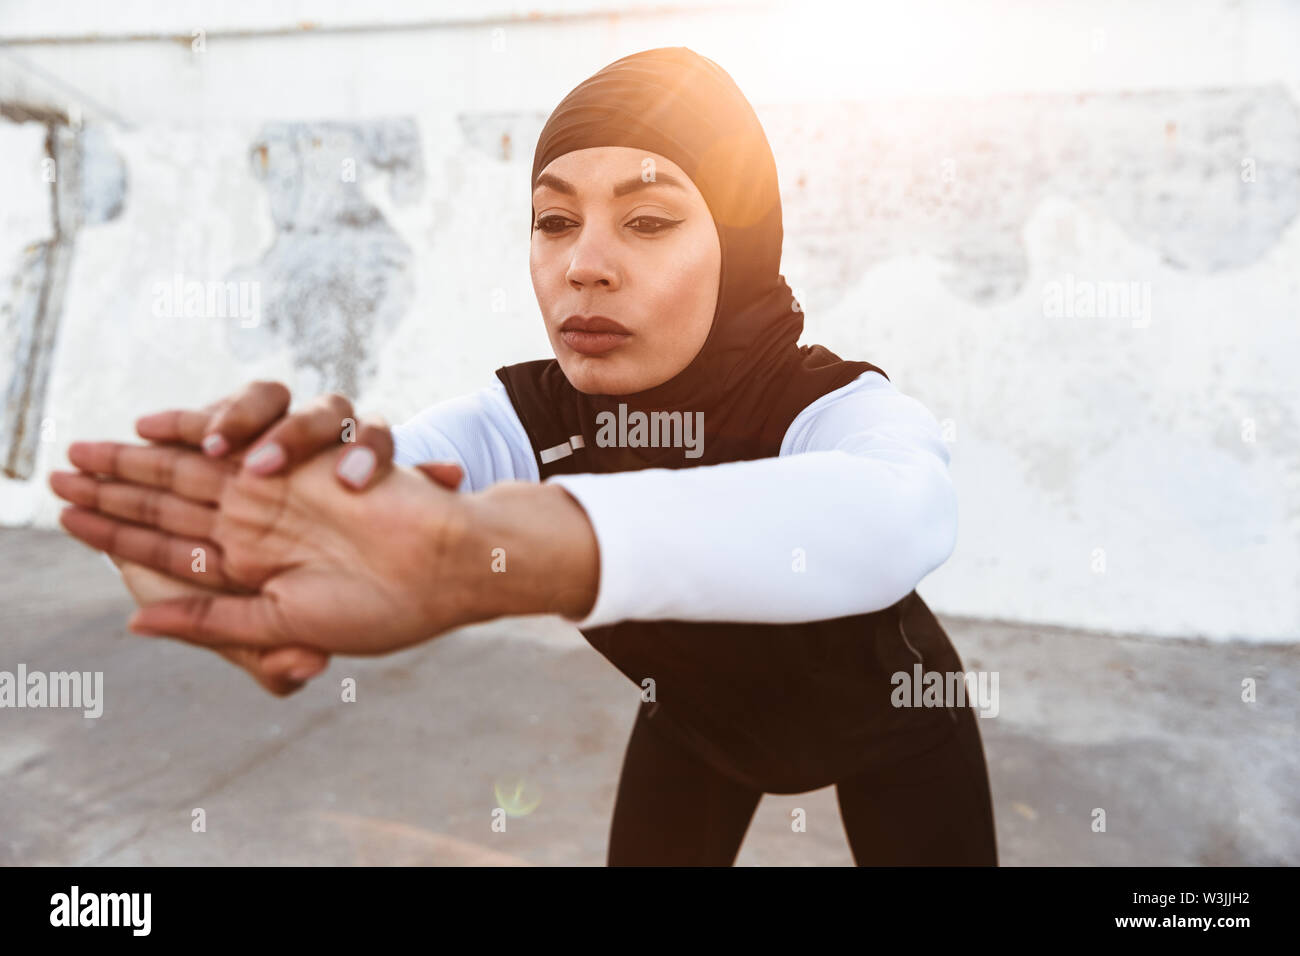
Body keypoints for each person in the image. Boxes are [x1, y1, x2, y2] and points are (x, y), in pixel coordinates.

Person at [52, 47, 997, 866]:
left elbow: (894, 511)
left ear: (741, 246)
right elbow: (396, 482)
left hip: (894, 730)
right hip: (699, 721)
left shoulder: (830, 406)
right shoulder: (525, 416)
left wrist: (519, 552)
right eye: (553, 221)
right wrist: (252, 515)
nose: (584, 262)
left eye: (649, 220)